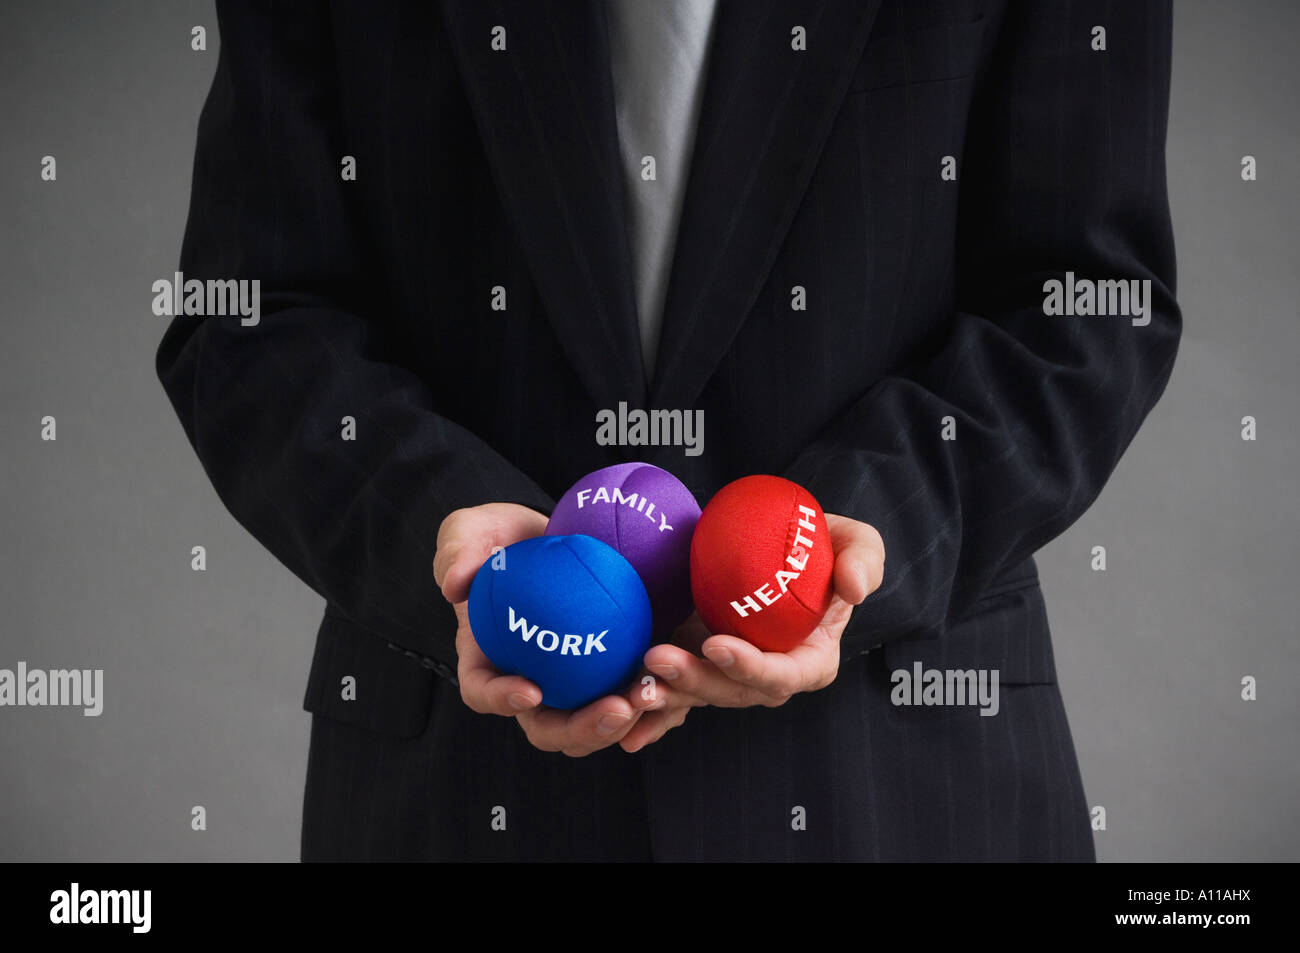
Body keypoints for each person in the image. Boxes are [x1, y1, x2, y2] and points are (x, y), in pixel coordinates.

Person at [157, 0, 1179, 861]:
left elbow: (1085, 300)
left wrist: (834, 546)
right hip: (458, 793)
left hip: (904, 786)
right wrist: (451, 538)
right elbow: (252, 312)